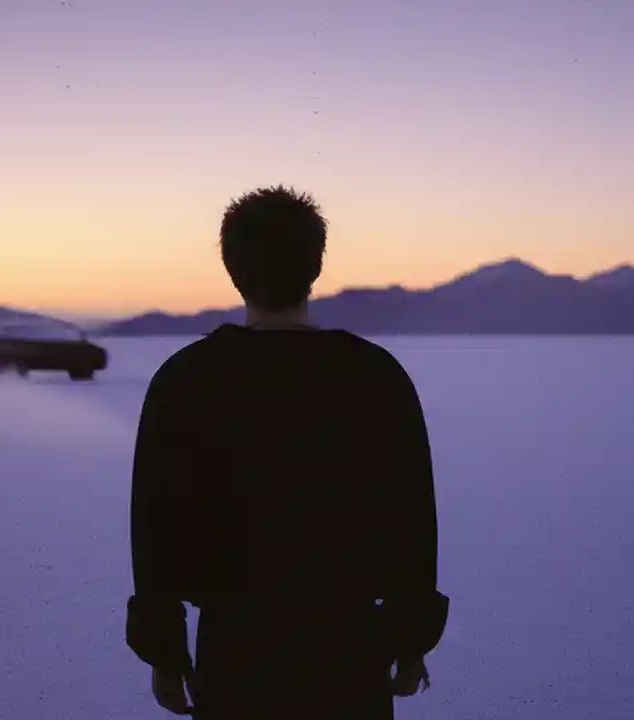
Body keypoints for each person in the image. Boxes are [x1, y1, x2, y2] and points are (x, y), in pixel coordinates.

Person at [126, 186, 448, 719]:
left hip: (234, 655)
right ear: (315, 266)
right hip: (347, 655)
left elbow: (155, 524)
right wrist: (409, 641)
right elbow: (411, 518)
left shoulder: (186, 380)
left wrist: (165, 653)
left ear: (233, 269)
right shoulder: (374, 377)